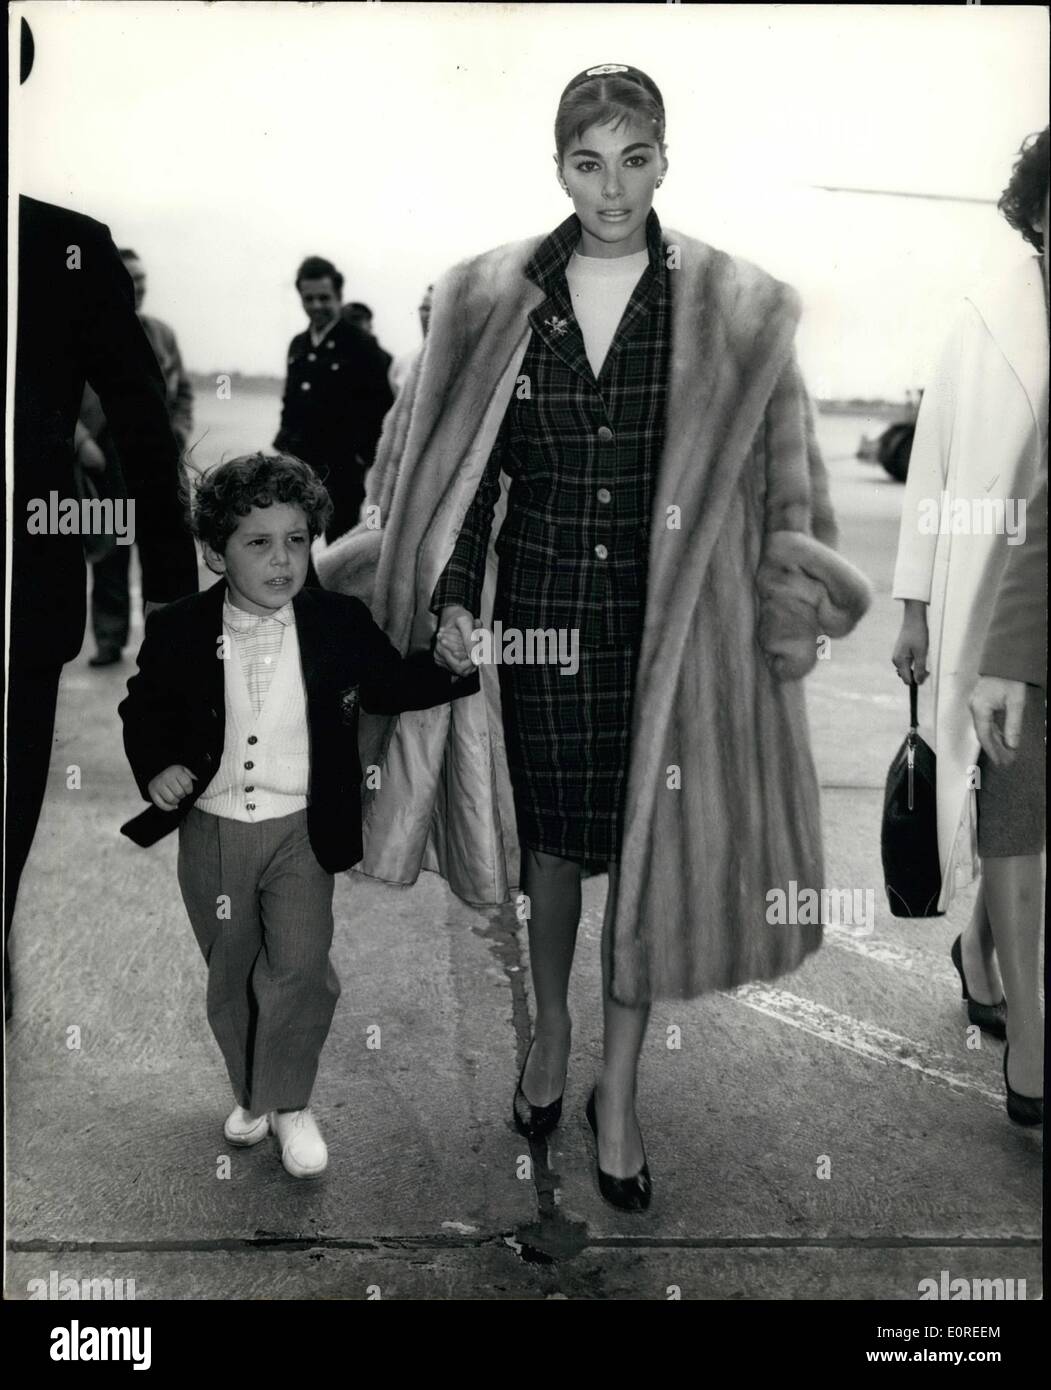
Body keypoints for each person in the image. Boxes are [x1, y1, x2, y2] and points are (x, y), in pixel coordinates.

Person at [319, 64, 871, 1209]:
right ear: (556, 164)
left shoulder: (731, 304)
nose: (610, 187)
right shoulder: (489, 298)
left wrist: (786, 615)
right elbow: (455, 474)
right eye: (586, 161)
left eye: (633, 158)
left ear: (665, 158)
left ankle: (618, 1092)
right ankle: (551, 1021)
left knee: (647, 859)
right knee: (556, 854)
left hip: (675, 636)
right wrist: (455, 596)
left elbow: (787, 486)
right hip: (540, 629)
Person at [117, 454, 479, 1177]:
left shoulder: (338, 621)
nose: (282, 559)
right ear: (214, 553)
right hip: (212, 830)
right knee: (232, 969)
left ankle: (291, 1105)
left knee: (300, 967)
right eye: (258, 543)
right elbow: (142, 707)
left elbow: (386, 687)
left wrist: (445, 664)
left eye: (295, 539)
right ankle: (254, 1090)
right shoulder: (181, 629)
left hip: (303, 831)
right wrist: (156, 766)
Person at [891, 128, 1048, 1118]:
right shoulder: (983, 318)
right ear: (1034, 210)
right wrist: (912, 603)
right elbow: (932, 464)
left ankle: (979, 946)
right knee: (1017, 799)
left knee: (1027, 811)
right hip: (1002, 605)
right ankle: (1029, 1031)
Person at [6, 196, 198, 997]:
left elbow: (146, 418)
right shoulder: (64, 245)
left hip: (25, 580)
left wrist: (174, 604)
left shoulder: (60, 244)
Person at [78, 247, 195, 667]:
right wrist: (80, 442)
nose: (138, 289)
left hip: (155, 458)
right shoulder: (81, 329)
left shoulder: (162, 333)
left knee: (161, 546)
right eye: (130, 280)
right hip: (103, 458)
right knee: (110, 551)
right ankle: (109, 639)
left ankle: (166, 638)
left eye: (143, 280)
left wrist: (178, 432)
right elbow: (55, 398)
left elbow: (183, 392)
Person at [274, 257, 394, 543]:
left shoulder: (360, 344)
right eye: (309, 298)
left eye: (324, 298)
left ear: (339, 297)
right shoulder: (298, 345)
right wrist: (284, 449)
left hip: (343, 472)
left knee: (338, 543)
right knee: (296, 540)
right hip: (300, 466)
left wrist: (363, 458)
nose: (316, 306)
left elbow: (381, 406)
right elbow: (290, 403)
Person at [388, 284, 433, 396]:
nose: (428, 315)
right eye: (425, 309)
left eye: (435, 308)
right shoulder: (402, 363)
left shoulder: (465, 365)